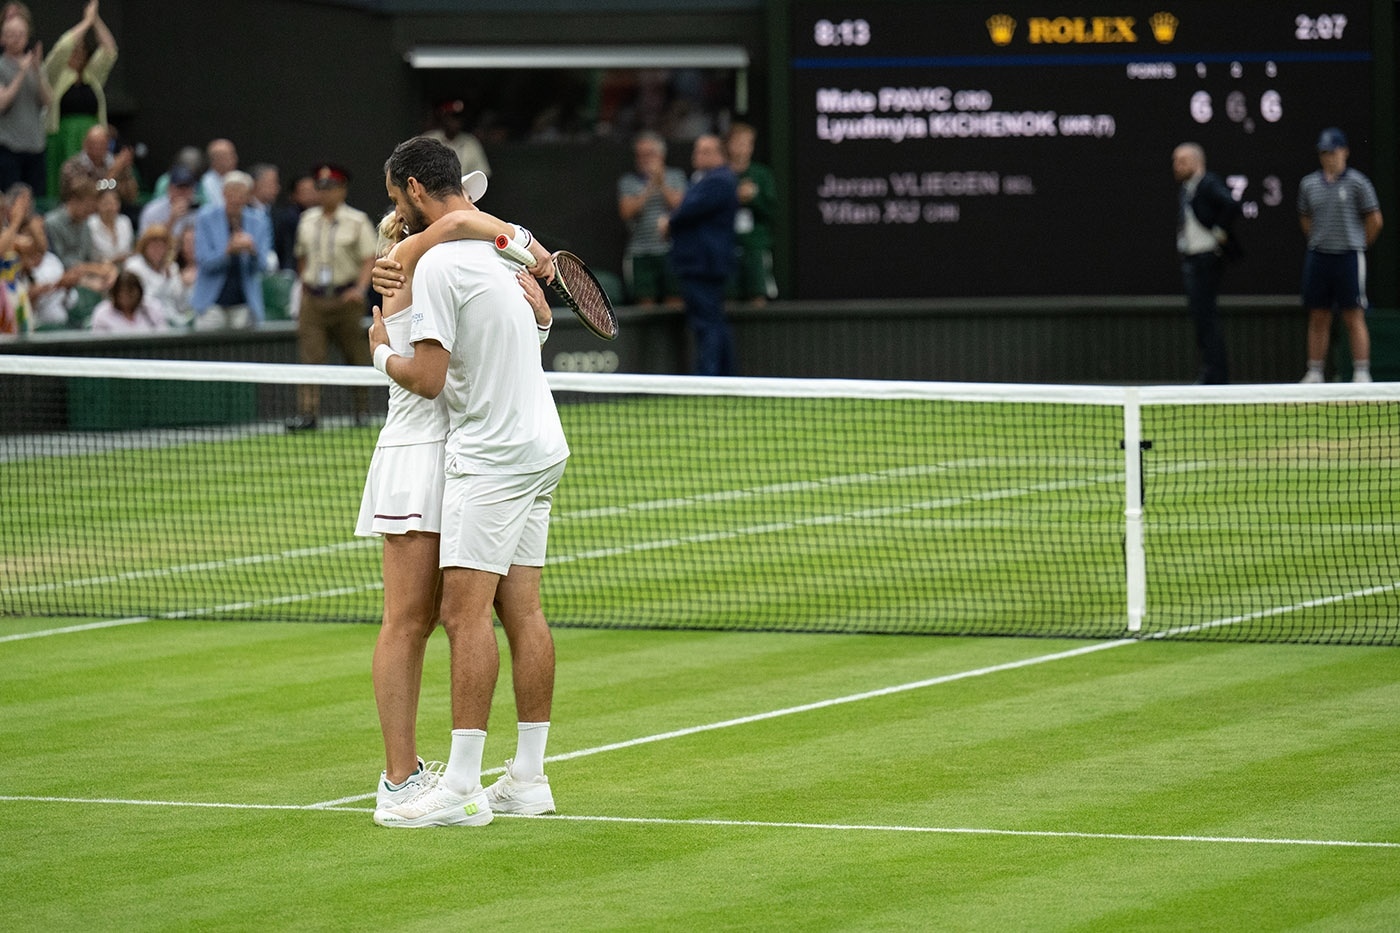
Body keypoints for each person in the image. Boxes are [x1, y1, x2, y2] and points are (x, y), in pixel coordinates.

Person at [370, 135, 570, 828]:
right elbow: (501, 336)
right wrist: (531, 267)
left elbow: (435, 375)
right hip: (526, 446)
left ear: (415, 194)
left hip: (486, 454)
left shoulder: (449, 263)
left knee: (465, 615)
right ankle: (519, 779)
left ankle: (461, 785)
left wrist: (376, 354)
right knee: (512, 612)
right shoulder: (490, 258)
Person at [284, 163, 377, 431]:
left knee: (356, 356)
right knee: (310, 358)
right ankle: (308, 414)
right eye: (321, 188)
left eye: (331, 188)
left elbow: (369, 257)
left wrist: (359, 289)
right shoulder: (307, 219)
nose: (325, 193)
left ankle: (362, 411)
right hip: (314, 300)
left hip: (346, 299)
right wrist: (305, 283)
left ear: (342, 190)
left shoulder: (357, 220)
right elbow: (301, 256)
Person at [1297, 128, 1384, 384]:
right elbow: (1305, 218)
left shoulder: (1358, 182)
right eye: (1324, 153)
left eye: (1333, 152)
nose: (1329, 158)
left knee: (1353, 314)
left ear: (1344, 151)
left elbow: (1375, 220)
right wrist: (1319, 239)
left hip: (1349, 257)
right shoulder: (1308, 184)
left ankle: (1361, 372)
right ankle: (1315, 372)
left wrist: (1358, 243)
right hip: (1319, 256)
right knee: (1318, 314)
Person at [661, 133, 739, 376]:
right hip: (701, 264)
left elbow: (687, 210)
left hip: (703, 264)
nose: (697, 155)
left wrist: (668, 223)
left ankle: (710, 378)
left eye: (705, 151)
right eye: (697, 150)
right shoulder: (710, 179)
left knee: (707, 323)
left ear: (720, 155)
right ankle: (723, 377)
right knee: (712, 320)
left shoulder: (719, 180)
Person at [1171, 142, 1241, 385]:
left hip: (1207, 259)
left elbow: (1231, 204)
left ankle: (1216, 376)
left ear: (1196, 162)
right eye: (1175, 161)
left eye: (1182, 161)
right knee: (1201, 317)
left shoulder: (1208, 183)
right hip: (1191, 257)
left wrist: (1219, 231)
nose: (1176, 166)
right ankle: (1211, 372)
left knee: (1207, 317)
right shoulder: (1186, 189)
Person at [42, 0, 118, 200]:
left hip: (92, 135)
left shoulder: (92, 76)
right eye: (73, 50)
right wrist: (85, 23)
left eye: (81, 49)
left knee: (96, 183)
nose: (76, 53)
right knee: (70, 185)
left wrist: (95, 20)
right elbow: (62, 47)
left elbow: (110, 50)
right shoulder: (55, 74)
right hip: (63, 136)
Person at [190, 170, 270, 330]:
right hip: (211, 303)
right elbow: (204, 261)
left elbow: (263, 266)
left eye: (241, 194)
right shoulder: (206, 218)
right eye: (231, 193)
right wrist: (228, 251)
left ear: (248, 197)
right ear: (223, 194)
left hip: (244, 303)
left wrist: (252, 251)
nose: (236, 199)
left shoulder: (259, 221)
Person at [617, 130, 685, 306]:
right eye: (640, 155)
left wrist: (661, 183)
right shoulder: (628, 181)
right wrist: (649, 187)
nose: (644, 159)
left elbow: (681, 207)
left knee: (675, 301)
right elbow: (626, 212)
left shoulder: (676, 176)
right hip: (641, 252)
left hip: (672, 250)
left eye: (649, 154)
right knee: (645, 303)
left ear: (661, 155)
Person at [725, 122, 779, 306]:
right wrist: (735, 197)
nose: (743, 148)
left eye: (748, 143)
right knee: (728, 298)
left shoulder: (762, 174)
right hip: (727, 245)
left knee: (758, 294)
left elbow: (771, 210)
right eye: (738, 142)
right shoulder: (720, 175)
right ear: (729, 145)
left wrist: (753, 197)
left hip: (755, 245)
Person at [0, 11, 49, 195]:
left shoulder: (34, 65)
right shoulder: (1, 66)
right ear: (2, 38)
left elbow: (48, 101)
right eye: (11, 35)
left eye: (21, 34)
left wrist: (37, 71)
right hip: (9, 147)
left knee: (37, 201)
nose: (17, 39)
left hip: (35, 146)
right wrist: (21, 73)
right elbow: (2, 103)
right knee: (11, 199)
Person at [58, 123, 139, 210]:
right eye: (94, 143)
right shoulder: (73, 166)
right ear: (85, 144)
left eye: (102, 143)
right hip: (82, 213)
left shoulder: (116, 164)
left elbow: (131, 195)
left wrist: (124, 170)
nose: (97, 147)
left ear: (108, 145)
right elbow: (87, 194)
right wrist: (112, 174)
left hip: (115, 212)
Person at [124, 223, 186, 326]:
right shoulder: (134, 266)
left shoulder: (172, 267)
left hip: (173, 319)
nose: (157, 250)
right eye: (153, 245)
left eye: (161, 246)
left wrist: (183, 283)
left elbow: (180, 303)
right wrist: (165, 281)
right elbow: (142, 301)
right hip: (144, 321)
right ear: (144, 247)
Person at [424, 99, 491, 178]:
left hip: (463, 185)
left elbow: (483, 174)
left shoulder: (471, 142)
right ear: (444, 117)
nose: (456, 121)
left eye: (459, 117)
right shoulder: (428, 140)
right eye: (452, 116)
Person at [88, 268, 166, 333]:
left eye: (130, 293)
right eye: (121, 293)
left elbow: (163, 336)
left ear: (140, 292)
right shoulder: (102, 312)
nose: (126, 298)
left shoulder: (152, 308)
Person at [138, 163, 198, 243]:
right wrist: (172, 220)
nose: (183, 193)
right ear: (170, 189)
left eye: (187, 188)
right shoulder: (152, 211)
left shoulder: (199, 210)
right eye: (179, 188)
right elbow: (145, 244)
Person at [86, 185, 131, 263]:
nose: (110, 208)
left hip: (125, 265)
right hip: (98, 266)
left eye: (114, 203)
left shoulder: (125, 221)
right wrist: (112, 261)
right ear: (98, 204)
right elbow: (89, 255)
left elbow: (129, 251)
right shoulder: (90, 224)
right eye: (106, 203)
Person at [200, 138, 238, 208]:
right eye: (229, 155)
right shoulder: (204, 183)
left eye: (234, 154)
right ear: (215, 159)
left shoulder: (240, 179)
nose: (235, 158)